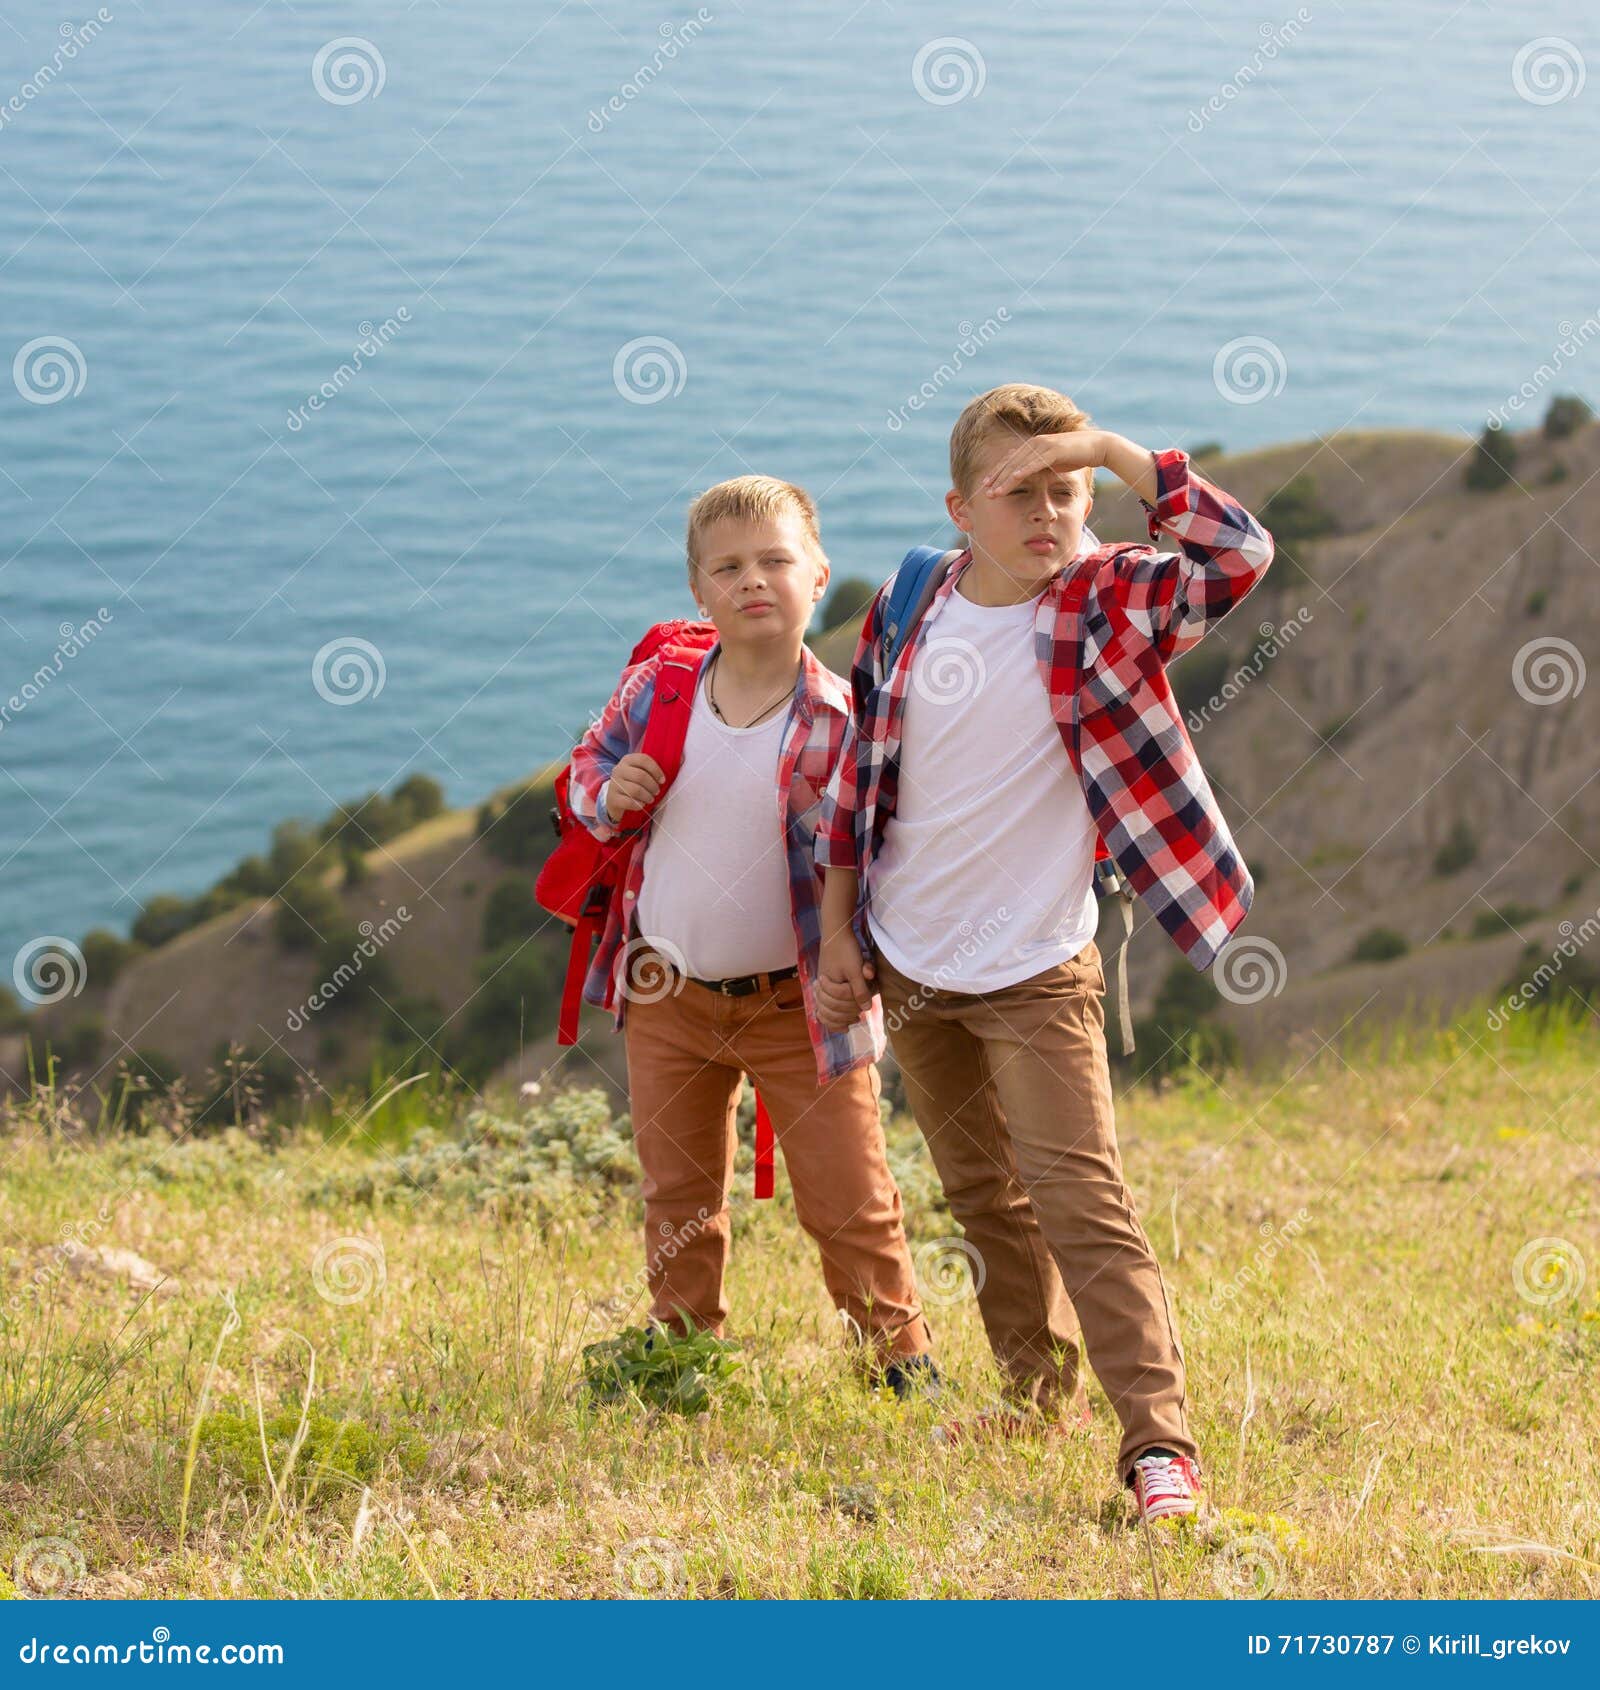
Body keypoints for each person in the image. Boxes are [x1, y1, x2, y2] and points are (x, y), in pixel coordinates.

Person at [814, 384, 1274, 1522]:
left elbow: (1238, 553)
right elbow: (857, 779)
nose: (1049, 511)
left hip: (1035, 969)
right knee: (982, 1194)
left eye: (1067, 489)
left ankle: (1158, 1448)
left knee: (1083, 1201)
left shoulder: (1110, 599)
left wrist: (1117, 451)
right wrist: (836, 932)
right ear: (959, 506)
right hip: (910, 960)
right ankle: (1033, 1394)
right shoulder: (909, 601)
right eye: (1019, 492)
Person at [568, 474, 936, 1391]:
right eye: (727, 567)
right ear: (698, 591)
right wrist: (606, 797)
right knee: (679, 1197)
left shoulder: (846, 720)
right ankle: (682, 1359)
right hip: (664, 994)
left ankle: (899, 1368)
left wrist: (871, 968)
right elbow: (586, 770)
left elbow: (887, 865)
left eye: (776, 560)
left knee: (850, 1201)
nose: (753, 580)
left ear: (818, 575)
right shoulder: (661, 689)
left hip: (800, 1003)